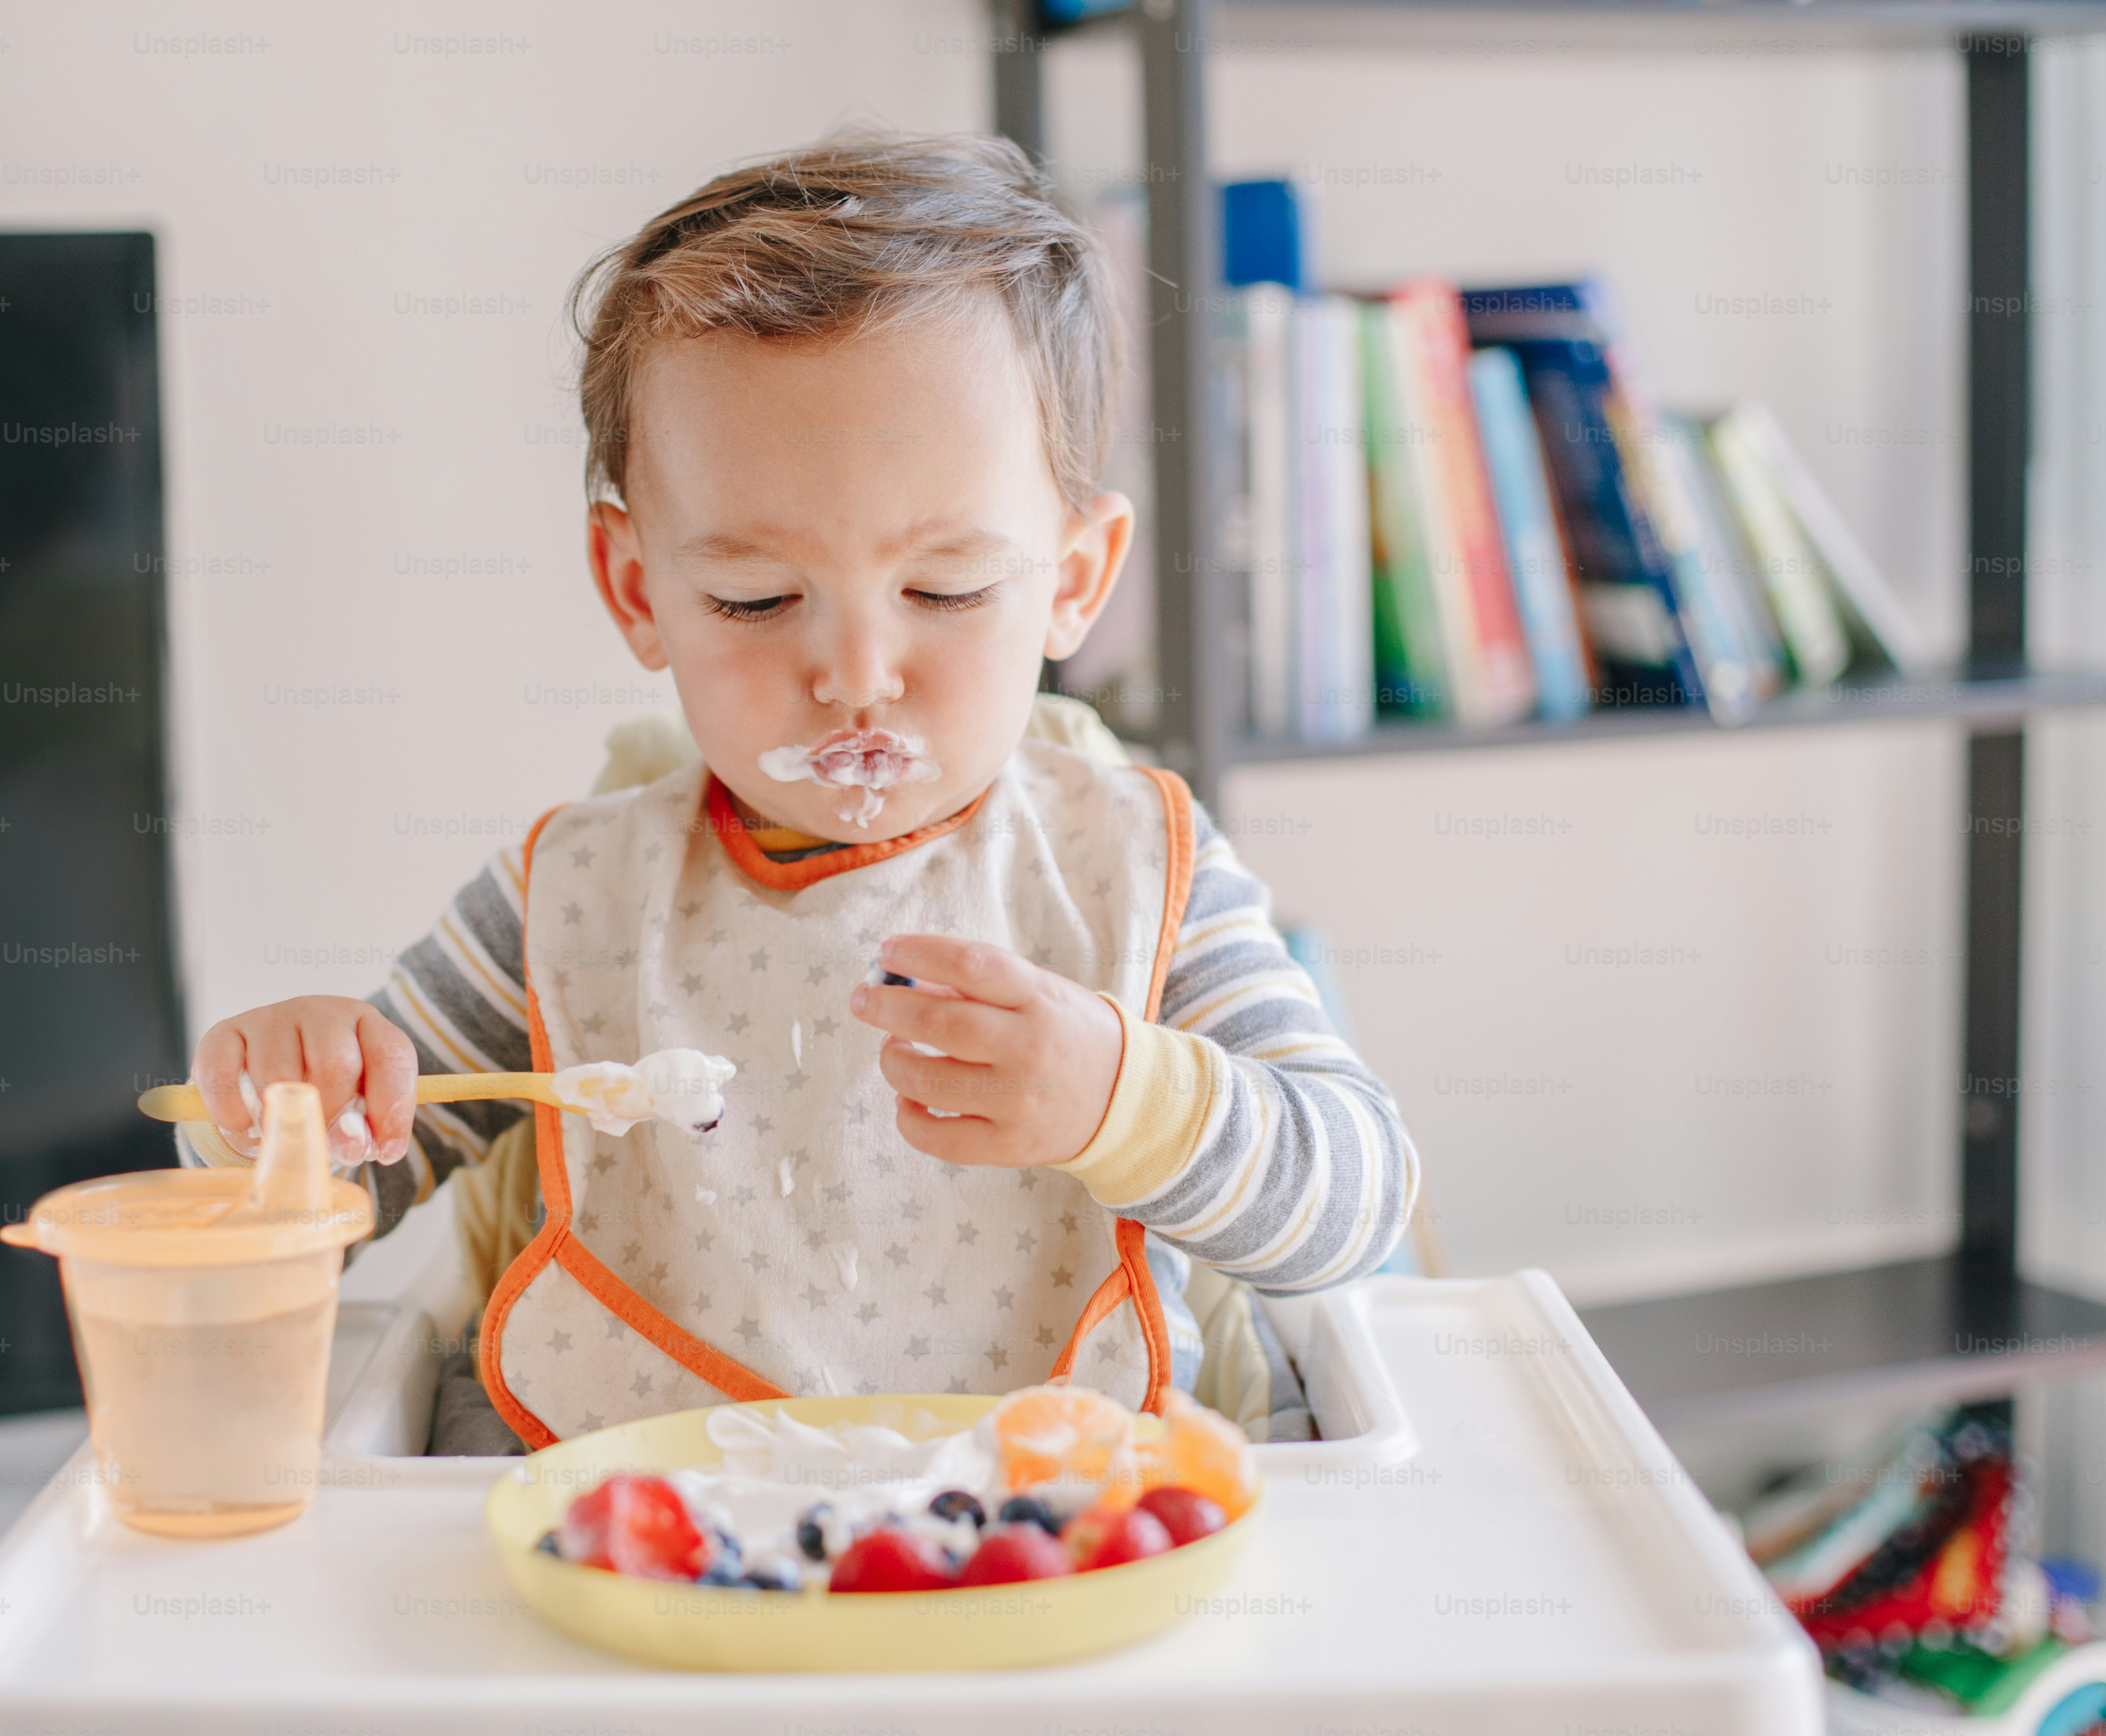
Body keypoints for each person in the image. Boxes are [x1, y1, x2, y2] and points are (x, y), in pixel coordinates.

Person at [182, 133, 1420, 1451]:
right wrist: (282, 1109)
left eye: (945, 590)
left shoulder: (1129, 864)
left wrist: (1126, 1098)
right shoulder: (574, 898)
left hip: (1048, 1539)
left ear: (1072, 579)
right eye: (755, 600)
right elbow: (298, 1208)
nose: (855, 674)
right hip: (631, 1540)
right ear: (635, 590)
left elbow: (1356, 1204)